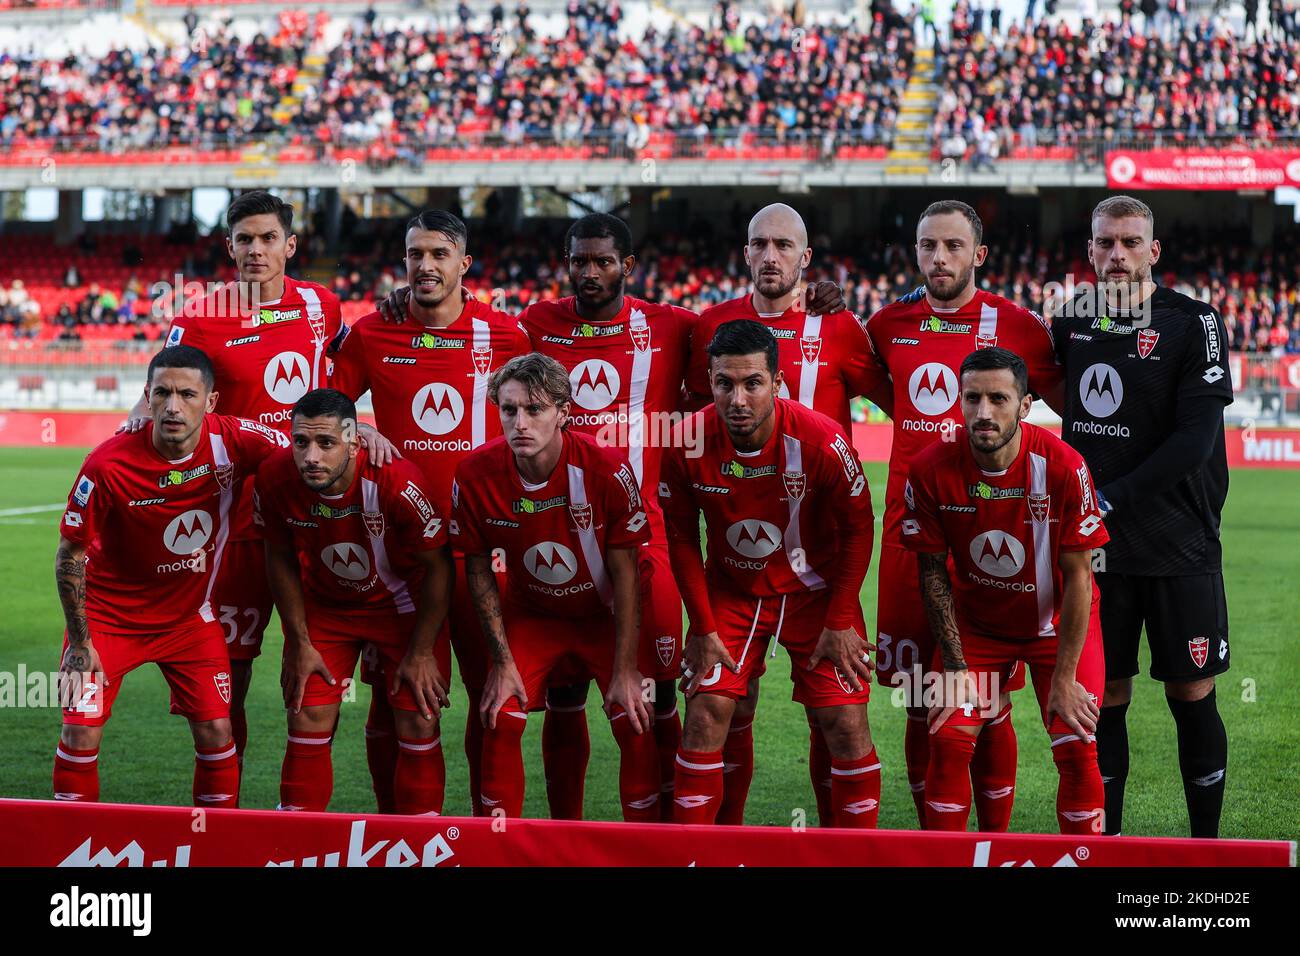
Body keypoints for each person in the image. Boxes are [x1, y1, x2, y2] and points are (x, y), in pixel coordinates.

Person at [120, 190, 347, 785]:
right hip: (239, 523)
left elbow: (342, 381)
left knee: (319, 681)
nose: (255, 249)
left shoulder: (323, 305)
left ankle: (299, 821)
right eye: (243, 239)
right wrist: (129, 437)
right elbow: (156, 393)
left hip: (317, 516)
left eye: (268, 238)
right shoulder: (199, 316)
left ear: (290, 245)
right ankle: (221, 824)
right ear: (228, 247)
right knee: (230, 684)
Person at [683, 203, 891, 825]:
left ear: (805, 258)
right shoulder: (710, 327)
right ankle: (715, 845)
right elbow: (696, 420)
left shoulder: (841, 325)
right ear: (745, 253)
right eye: (758, 244)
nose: (769, 256)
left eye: (783, 246)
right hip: (738, 562)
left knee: (835, 715)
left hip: (819, 563)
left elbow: (902, 396)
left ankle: (840, 852)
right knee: (723, 708)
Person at [863, 199, 1064, 829]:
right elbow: (867, 388)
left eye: (953, 246)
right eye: (928, 246)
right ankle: (937, 844)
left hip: (986, 543)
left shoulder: (1020, 327)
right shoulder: (885, 325)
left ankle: (994, 841)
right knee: (925, 702)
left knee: (988, 697)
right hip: (909, 540)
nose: (939, 258)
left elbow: (1071, 406)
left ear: (978, 254)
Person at [330, 210, 530, 815]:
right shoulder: (371, 334)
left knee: (494, 702)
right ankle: (403, 837)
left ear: (464, 264)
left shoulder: (508, 338)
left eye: (440, 254)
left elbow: (544, 415)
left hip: (485, 553)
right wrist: (361, 429)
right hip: (403, 558)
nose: (426, 265)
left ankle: (488, 838)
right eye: (415, 254)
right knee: (403, 701)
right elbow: (325, 415)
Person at [1051, 195, 1233, 838]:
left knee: (1191, 697)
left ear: (1153, 252)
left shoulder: (1195, 322)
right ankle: (1109, 845)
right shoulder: (1069, 322)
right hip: (1099, 553)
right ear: (1091, 250)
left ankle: (1205, 847)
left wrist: (1109, 497)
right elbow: (1002, 350)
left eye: (1130, 242)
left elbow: (1195, 443)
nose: (1117, 255)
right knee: (1108, 700)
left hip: (1181, 542)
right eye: (1106, 243)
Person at [53, 346, 288, 806]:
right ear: (147, 397)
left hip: (188, 621)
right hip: (108, 620)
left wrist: (356, 429)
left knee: (218, 730)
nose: (174, 406)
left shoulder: (235, 440)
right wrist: (81, 644)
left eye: (187, 394)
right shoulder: (107, 465)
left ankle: (212, 846)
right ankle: (73, 852)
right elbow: (69, 556)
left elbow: (304, 450)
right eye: (162, 393)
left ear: (211, 401)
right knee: (78, 733)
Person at [903, 347, 1107, 834]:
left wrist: (1064, 677)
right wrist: (954, 668)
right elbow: (932, 572)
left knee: (1075, 743)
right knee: (948, 738)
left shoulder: (1063, 465)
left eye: (998, 398)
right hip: (978, 629)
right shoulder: (931, 468)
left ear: (1026, 404)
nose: (983, 412)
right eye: (972, 398)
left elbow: (1081, 577)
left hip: (1056, 627)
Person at [451, 353, 660, 820]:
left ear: (563, 413)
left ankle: (647, 847)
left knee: (635, 716)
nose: (520, 422)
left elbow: (628, 570)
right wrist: (502, 662)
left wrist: (626, 668)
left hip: (603, 616)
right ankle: (498, 849)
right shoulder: (473, 474)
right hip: (535, 615)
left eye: (535, 409)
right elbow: (478, 567)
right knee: (499, 713)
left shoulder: (607, 469)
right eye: (509, 410)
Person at [256, 389, 453, 814]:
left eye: (326, 443)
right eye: (301, 442)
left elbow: (438, 568)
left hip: (402, 608)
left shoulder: (398, 482)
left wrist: (421, 653)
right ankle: (297, 847)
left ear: (354, 441)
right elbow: (279, 556)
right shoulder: (274, 478)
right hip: (327, 610)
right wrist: (299, 641)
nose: (311, 456)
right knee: (305, 713)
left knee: (419, 717)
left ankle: (420, 846)